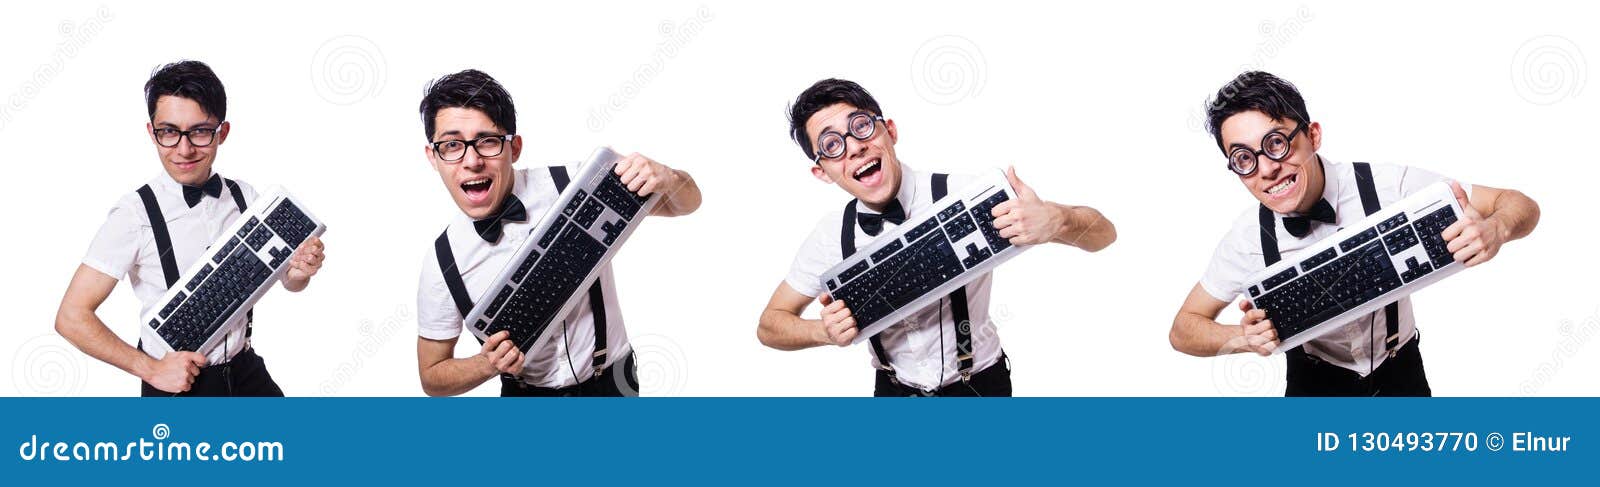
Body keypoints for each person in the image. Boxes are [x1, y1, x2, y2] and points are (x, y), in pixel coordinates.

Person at [1168, 71, 1541, 396]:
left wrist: (1496, 228)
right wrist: (1242, 338)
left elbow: (1516, 202)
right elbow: (1183, 329)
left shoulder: (1385, 186)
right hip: (1312, 387)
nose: (1266, 170)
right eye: (1244, 159)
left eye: (1276, 143)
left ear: (1313, 135)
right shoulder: (1248, 238)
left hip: (1402, 374)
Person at [757, 78, 1117, 396]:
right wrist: (822, 332)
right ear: (822, 172)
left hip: (981, 388)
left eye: (861, 126)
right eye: (832, 144)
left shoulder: (967, 194)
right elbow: (770, 324)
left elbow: (1104, 234)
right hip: (893, 394)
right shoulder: (829, 236)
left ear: (890, 131)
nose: (853, 147)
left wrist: (1058, 221)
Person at [414, 69, 702, 396]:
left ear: (514, 148)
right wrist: (485, 365)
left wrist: (668, 178)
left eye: (488, 141)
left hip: (614, 384)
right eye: (452, 145)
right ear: (433, 157)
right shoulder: (443, 262)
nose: (472, 161)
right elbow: (431, 376)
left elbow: (686, 203)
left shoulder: (579, 184)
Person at [55, 60, 327, 396]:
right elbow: (71, 316)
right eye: (169, 132)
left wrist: (300, 271)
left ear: (222, 133)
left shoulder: (245, 197)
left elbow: (290, 281)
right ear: (152, 133)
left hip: (245, 371)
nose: (184, 150)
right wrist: (151, 370)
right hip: (175, 385)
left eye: (199, 131)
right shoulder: (134, 216)